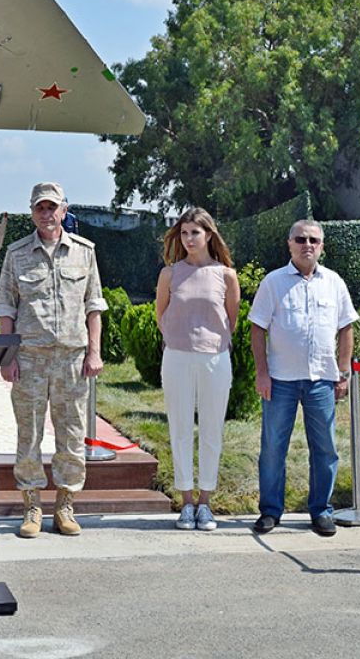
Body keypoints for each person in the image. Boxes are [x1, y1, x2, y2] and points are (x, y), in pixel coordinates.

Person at [0, 182, 106, 538]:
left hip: (71, 361)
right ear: (32, 212)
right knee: (28, 435)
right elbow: (6, 308)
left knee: (72, 434)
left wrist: (95, 351)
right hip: (29, 359)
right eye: (40, 208)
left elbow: (94, 307)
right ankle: (31, 506)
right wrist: (7, 355)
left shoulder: (84, 253)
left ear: (63, 210)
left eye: (52, 208)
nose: (46, 214)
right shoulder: (16, 254)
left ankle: (65, 504)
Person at [248, 219, 357, 537]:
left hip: (322, 380)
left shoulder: (334, 283)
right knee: (272, 448)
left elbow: (346, 327)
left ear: (322, 246)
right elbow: (258, 328)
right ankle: (270, 511)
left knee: (325, 449)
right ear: (289, 244)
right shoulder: (274, 282)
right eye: (301, 239)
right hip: (280, 380)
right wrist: (262, 373)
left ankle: (321, 511)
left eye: (314, 240)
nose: (307, 244)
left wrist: (344, 371)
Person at [154, 208, 240, 531]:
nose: (189, 239)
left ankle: (206, 502)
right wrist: (178, 338)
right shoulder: (170, 274)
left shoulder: (225, 275)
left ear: (209, 235)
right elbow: (161, 313)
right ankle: (186, 501)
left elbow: (231, 317)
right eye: (185, 232)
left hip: (215, 359)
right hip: (176, 356)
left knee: (211, 428)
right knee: (179, 427)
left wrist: (210, 339)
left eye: (195, 232)